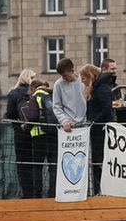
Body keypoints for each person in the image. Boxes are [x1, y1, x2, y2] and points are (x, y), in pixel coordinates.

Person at [87, 56, 119, 193]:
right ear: (104, 69)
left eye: (115, 69)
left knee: (101, 160)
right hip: (101, 128)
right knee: (100, 160)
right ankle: (101, 189)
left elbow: (107, 108)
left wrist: (94, 122)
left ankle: (102, 189)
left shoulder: (103, 87)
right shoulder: (104, 86)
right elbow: (107, 108)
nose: (115, 71)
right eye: (112, 69)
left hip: (100, 128)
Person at [5, 69, 37, 198]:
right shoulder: (36, 92)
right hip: (37, 132)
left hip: (21, 133)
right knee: (37, 164)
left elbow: (10, 114)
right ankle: (37, 193)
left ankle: (26, 193)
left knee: (23, 164)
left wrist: (17, 127)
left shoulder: (13, 94)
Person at [26, 79, 57, 197]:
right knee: (53, 167)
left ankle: (37, 195)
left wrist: (26, 127)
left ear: (33, 88)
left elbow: (33, 117)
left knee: (37, 168)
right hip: (53, 134)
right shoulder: (52, 95)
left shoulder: (35, 97)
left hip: (38, 135)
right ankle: (52, 193)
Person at [50, 58, 87, 135]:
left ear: (72, 71)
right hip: (68, 126)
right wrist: (64, 121)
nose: (63, 78)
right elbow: (56, 106)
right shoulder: (58, 84)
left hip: (85, 124)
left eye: (65, 75)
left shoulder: (83, 80)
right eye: (61, 76)